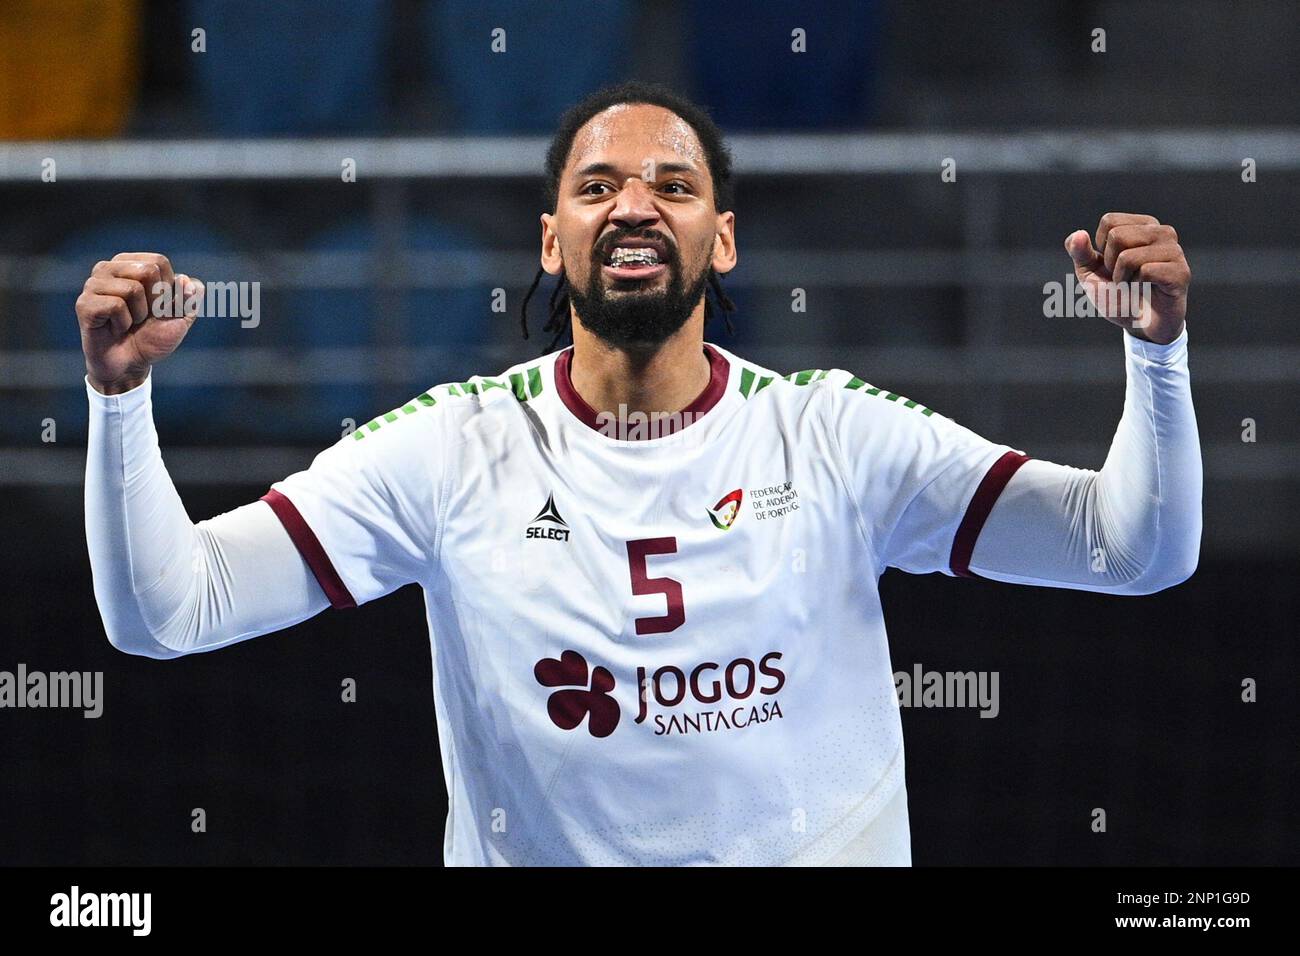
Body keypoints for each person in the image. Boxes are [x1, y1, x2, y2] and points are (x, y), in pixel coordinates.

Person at [80, 82, 1200, 865]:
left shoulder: (834, 436)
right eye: (598, 184)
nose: (632, 203)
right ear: (549, 238)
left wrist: (1155, 353)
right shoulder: (447, 448)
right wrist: (119, 398)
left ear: (722, 238)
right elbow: (173, 611)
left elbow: (1130, 549)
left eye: (672, 184)